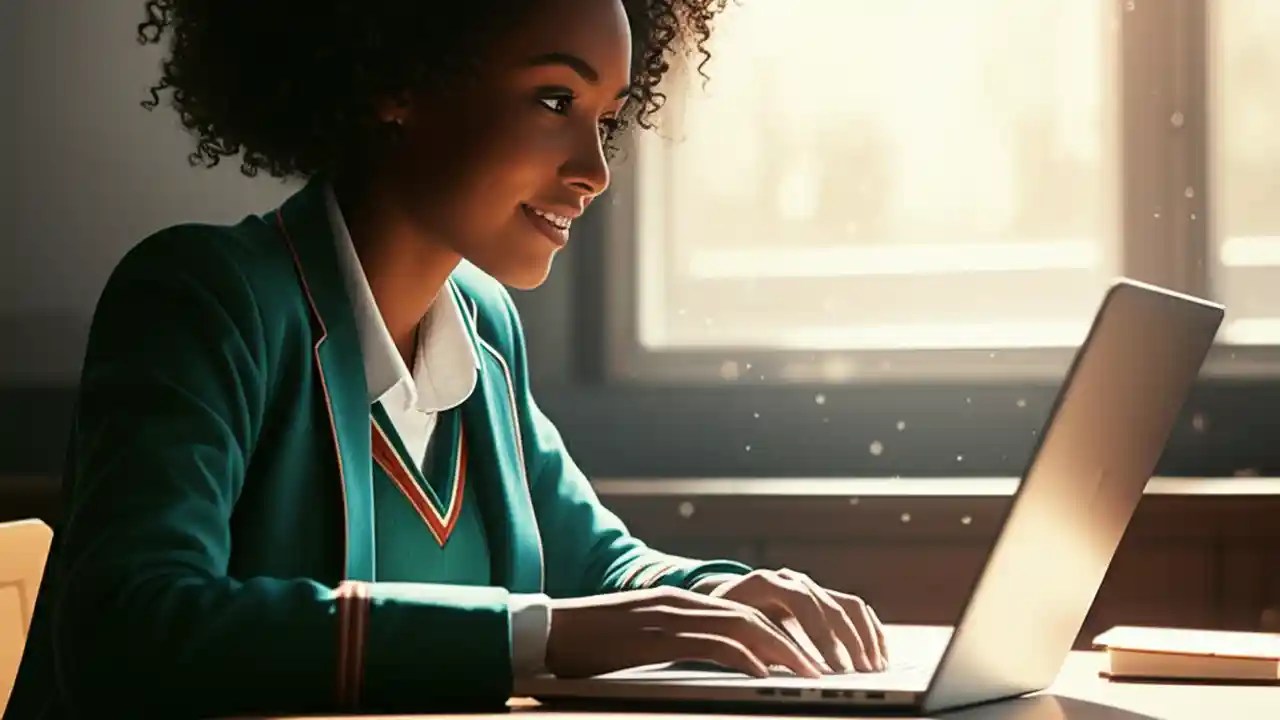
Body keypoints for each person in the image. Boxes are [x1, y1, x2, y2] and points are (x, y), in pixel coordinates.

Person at [8, 0, 888, 717]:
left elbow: (597, 566)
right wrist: (542, 636)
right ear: (400, 81)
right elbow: (128, 627)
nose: (594, 169)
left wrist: (725, 599)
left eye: (608, 119)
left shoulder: (485, 327)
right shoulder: (204, 298)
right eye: (554, 100)